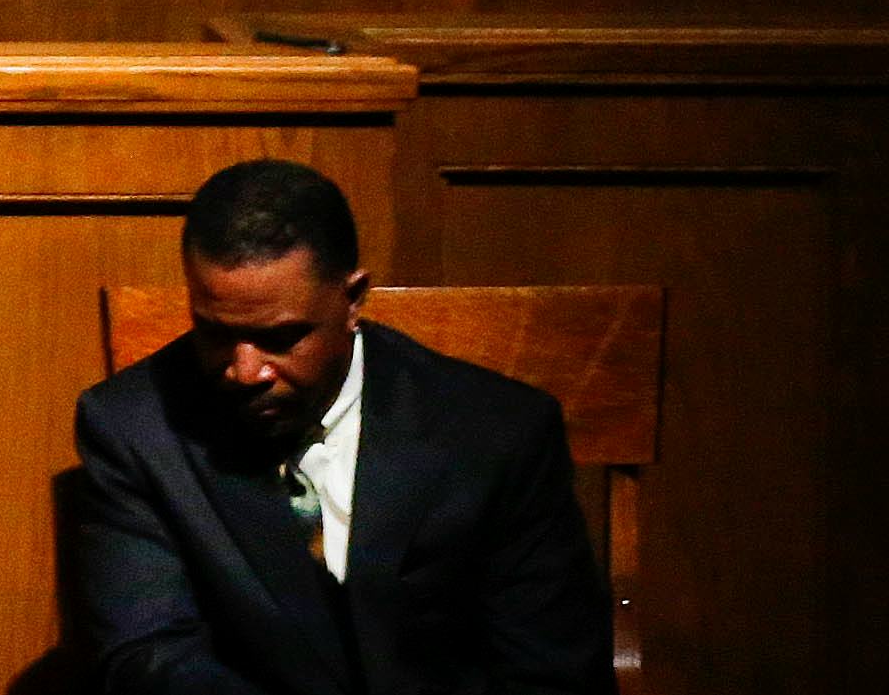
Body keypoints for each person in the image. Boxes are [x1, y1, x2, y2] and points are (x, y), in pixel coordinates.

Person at [63, 159, 611, 695]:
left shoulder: (496, 434)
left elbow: (553, 669)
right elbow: (147, 658)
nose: (245, 370)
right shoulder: (134, 427)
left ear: (352, 300)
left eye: (281, 338)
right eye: (215, 333)